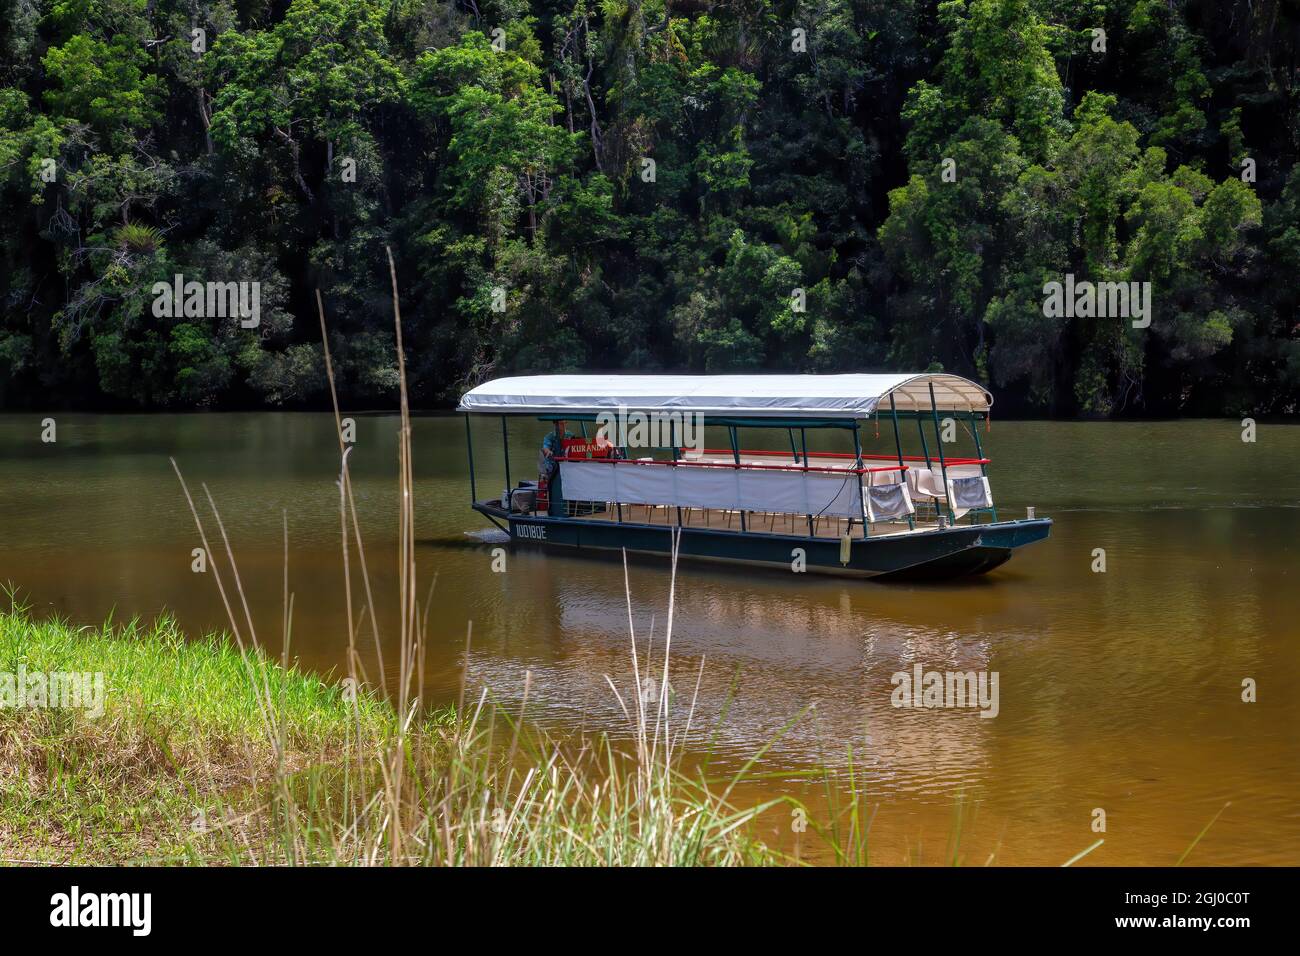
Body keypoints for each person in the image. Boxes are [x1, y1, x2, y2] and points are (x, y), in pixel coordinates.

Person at [539, 420, 575, 515]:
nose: (563, 426)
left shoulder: (570, 435)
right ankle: (552, 509)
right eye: (560, 424)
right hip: (553, 465)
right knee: (551, 483)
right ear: (555, 425)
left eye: (564, 423)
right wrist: (548, 452)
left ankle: (571, 509)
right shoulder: (549, 437)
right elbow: (545, 448)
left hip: (567, 465)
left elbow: (576, 446)